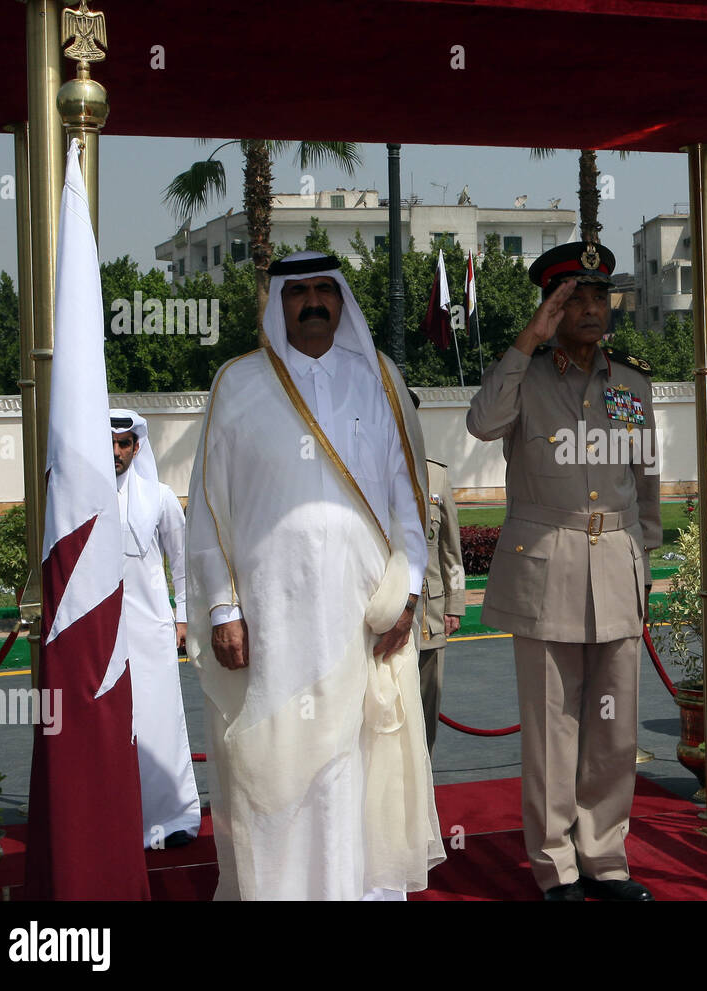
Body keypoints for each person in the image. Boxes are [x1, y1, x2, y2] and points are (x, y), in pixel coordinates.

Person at [185, 250, 444, 900]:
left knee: (350, 764)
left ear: (342, 298)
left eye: (324, 289)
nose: (311, 302)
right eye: (296, 291)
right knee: (272, 762)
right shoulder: (237, 384)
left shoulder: (376, 380)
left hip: (359, 619)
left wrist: (409, 590)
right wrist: (222, 609)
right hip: (272, 621)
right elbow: (208, 506)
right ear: (277, 301)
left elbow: (405, 498)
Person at [467, 241, 662, 902]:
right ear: (550, 306)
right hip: (546, 567)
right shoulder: (524, 377)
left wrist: (642, 554)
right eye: (571, 297)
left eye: (598, 296)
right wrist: (530, 339)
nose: (589, 309)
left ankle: (605, 857)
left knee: (614, 724)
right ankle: (556, 866)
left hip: (616, 567)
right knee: (552, 728)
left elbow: (646, 480)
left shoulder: (631, 383)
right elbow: (482, 421)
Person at [110, 408, 202, 850]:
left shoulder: (161, 496)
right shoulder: (83, 499)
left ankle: (173, 816)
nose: (116, 451)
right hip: (102, 636)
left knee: (161, 720)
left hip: (152, 628)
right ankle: (114, 816)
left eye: (124, 443)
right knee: (109, 725)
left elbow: (182, 564)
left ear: (137, 446)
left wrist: (182, 616)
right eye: (109, 442)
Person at [409, 391, 466, 755]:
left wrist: (454, 604)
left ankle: (424, 777)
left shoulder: (436, 476)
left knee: (428, 704)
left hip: (429, 614)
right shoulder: (364, 474)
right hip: (379, 615)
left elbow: (450, 548)